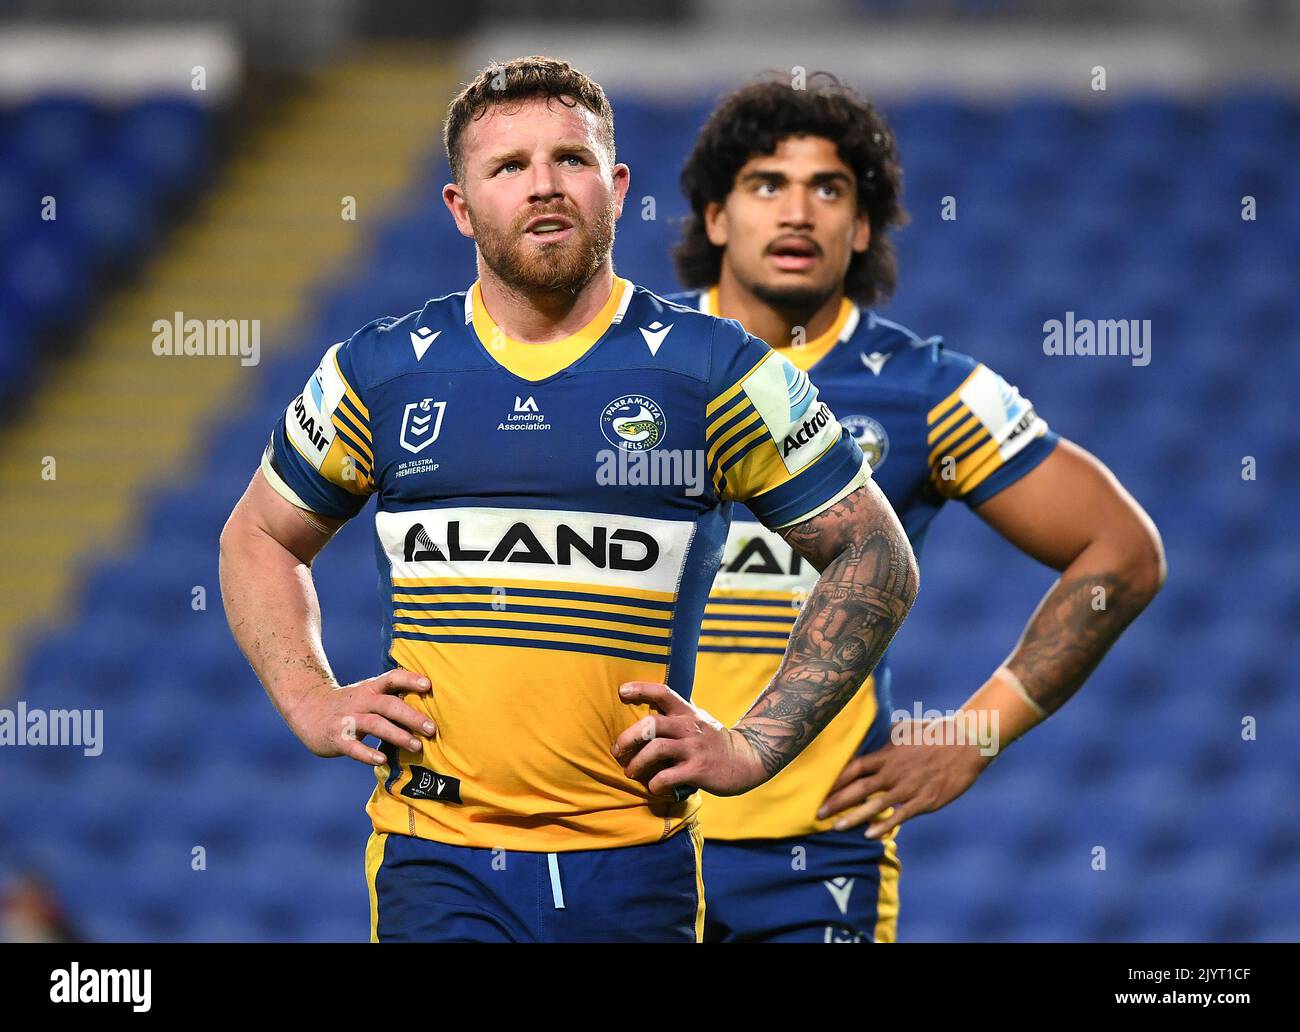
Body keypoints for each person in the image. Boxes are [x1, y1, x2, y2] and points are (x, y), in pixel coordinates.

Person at [219, 57, 918, 943]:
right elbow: (258, 538)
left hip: (638, 864)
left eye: (571, 160)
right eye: (508, 168)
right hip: (437, 859)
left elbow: (876, 555)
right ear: (460, 207)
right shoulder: (381, 370)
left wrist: (755, 742)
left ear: (616, 186)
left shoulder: (718, 372)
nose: (543, 186)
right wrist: (311, 697)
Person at [671, 76, 1165, 943]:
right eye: (766, 185)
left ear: (860, 228)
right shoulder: (632, 365)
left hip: (820, 854)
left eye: (829, 189)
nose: (799, 213)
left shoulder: (927, 390)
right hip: (629, 835)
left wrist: (972, 734)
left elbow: (1122, 552)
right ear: (716, 217)